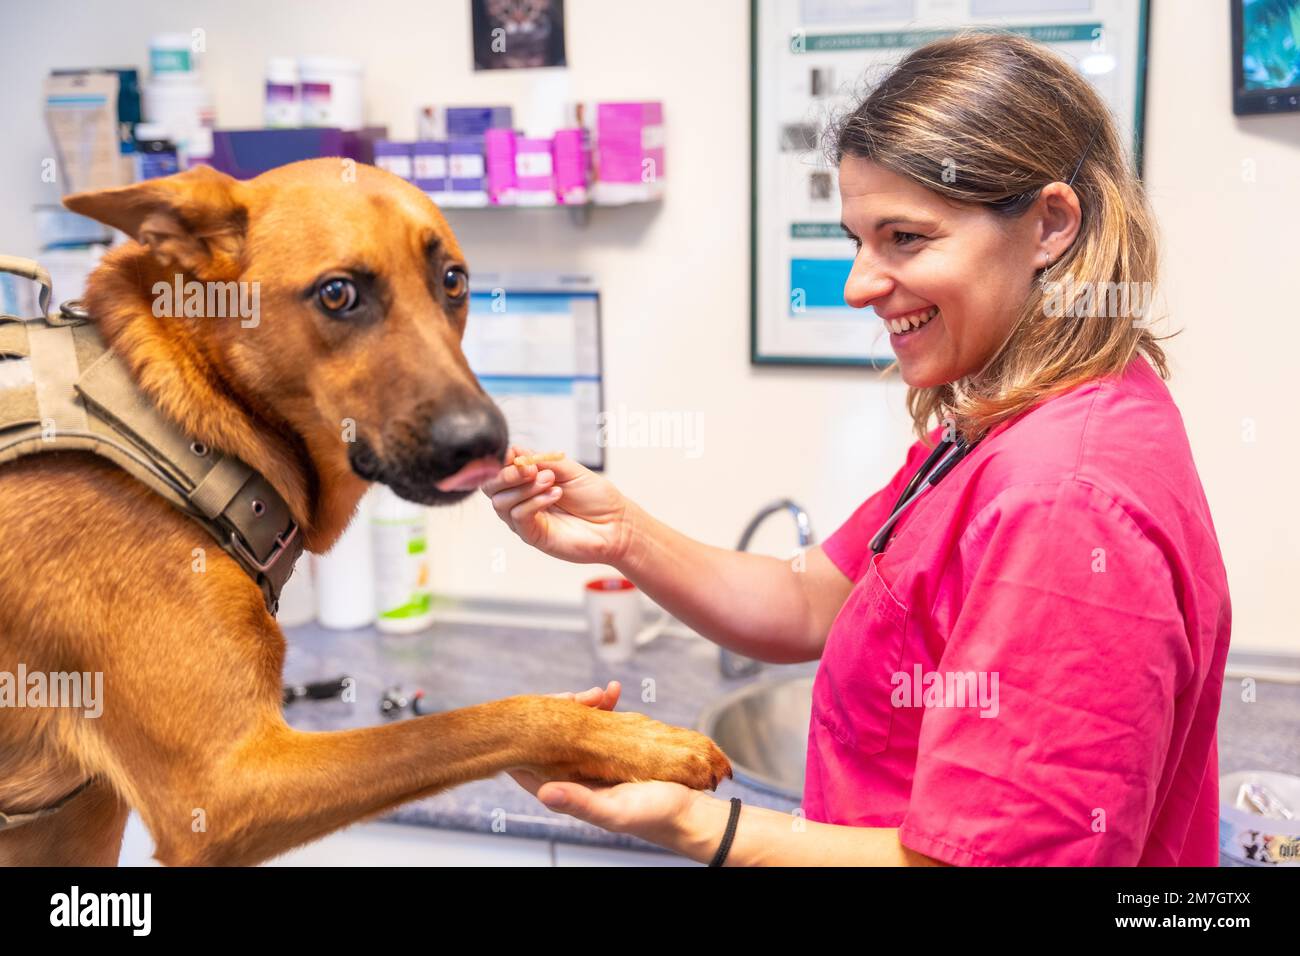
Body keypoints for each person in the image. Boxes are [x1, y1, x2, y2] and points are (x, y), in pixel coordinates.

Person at [481, 31, 1231, 866]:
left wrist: (697, 826)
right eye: (857, 239)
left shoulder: (1062, 500)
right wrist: (623, 532)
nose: (860, 283)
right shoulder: (1013, 416)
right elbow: (809, 601)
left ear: (1050, 224)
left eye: (905, 238)